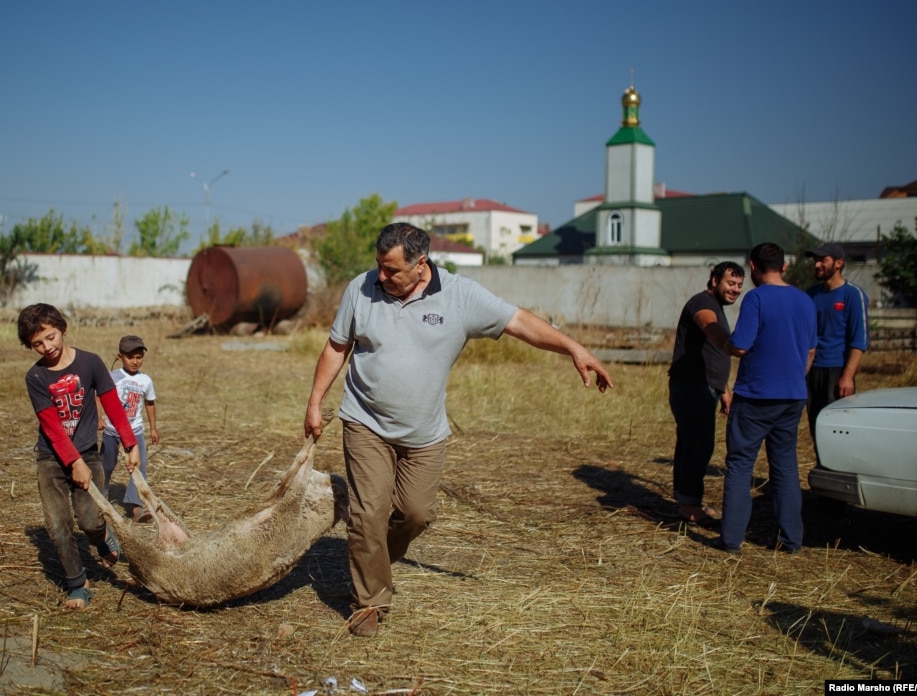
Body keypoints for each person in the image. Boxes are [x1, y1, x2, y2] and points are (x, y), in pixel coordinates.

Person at [304, 222, 614, 637]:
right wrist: (314, 403)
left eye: (392, 270)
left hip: (425, 433)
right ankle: (369, 603)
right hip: (366, 422)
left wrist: (574, 348)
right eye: (379, 266)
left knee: (416, 514)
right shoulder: (361, 288)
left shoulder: (460, 296)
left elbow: (519, 322)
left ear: (421, 264)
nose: (382, 276)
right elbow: (336, 347)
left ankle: (371, 556)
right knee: (367, 515)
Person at [18, 303, 141, 609]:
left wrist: (130, 442)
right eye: (37, 344)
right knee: (58, 526)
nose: (47, 347)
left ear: (62, 328)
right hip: (51, 458)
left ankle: (101, 537)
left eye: (50, 337)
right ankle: (78, 585)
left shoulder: (90, 363)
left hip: (87, 452)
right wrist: (72, 463)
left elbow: (112, 404)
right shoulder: (36, 377)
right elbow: (52, 427)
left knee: (89, 519)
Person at [714, 243, 816, 554]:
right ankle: (791, 540)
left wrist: (727, 345)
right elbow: (811, 350)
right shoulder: (805, 300)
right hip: (793, 395)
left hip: (756, 395)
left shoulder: (756, 298)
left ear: (754, 268)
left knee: (741, 465)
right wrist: (796, 378)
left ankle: (731, 540)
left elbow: (741, 346)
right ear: (784, 267)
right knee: (785, 467)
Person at [667, 261, 745, 528]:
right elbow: (706, 323)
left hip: (704, 386)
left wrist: (724, 390)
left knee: (692, 443)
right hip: (692, 386)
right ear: (714, 281)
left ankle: (686, 500)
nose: (735, 290)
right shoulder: (703, 303)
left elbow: (712, 357)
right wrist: (731, 343)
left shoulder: (718, 307)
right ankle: (689, 507)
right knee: (697, 444)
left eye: (738, 286)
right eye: (730, 283)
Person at [804, 242, 869, 463]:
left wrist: (847, 376)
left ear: (839, 263)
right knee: (816, 427)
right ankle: (824, 483)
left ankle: (840, 483)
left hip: (837, 371)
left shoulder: (853, 295)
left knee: (837, 430)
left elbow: (859, 340)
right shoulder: (811, 294)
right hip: (812, 370)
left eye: (823, 260)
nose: (817, 264)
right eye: (815, 260)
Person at [100, 334, 160, 520]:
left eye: (139, 357)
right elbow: (98, 395)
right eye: (130, 357)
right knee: (106, 465)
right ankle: (101, 498)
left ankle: (136, 507)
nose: (135, 361)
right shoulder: (111, 377)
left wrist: (153, 428)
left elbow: (150, 403)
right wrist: (98, 416)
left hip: (135, 430)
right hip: (112, 429)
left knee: (138, 466)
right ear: (120, 357)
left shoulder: (145, 380)